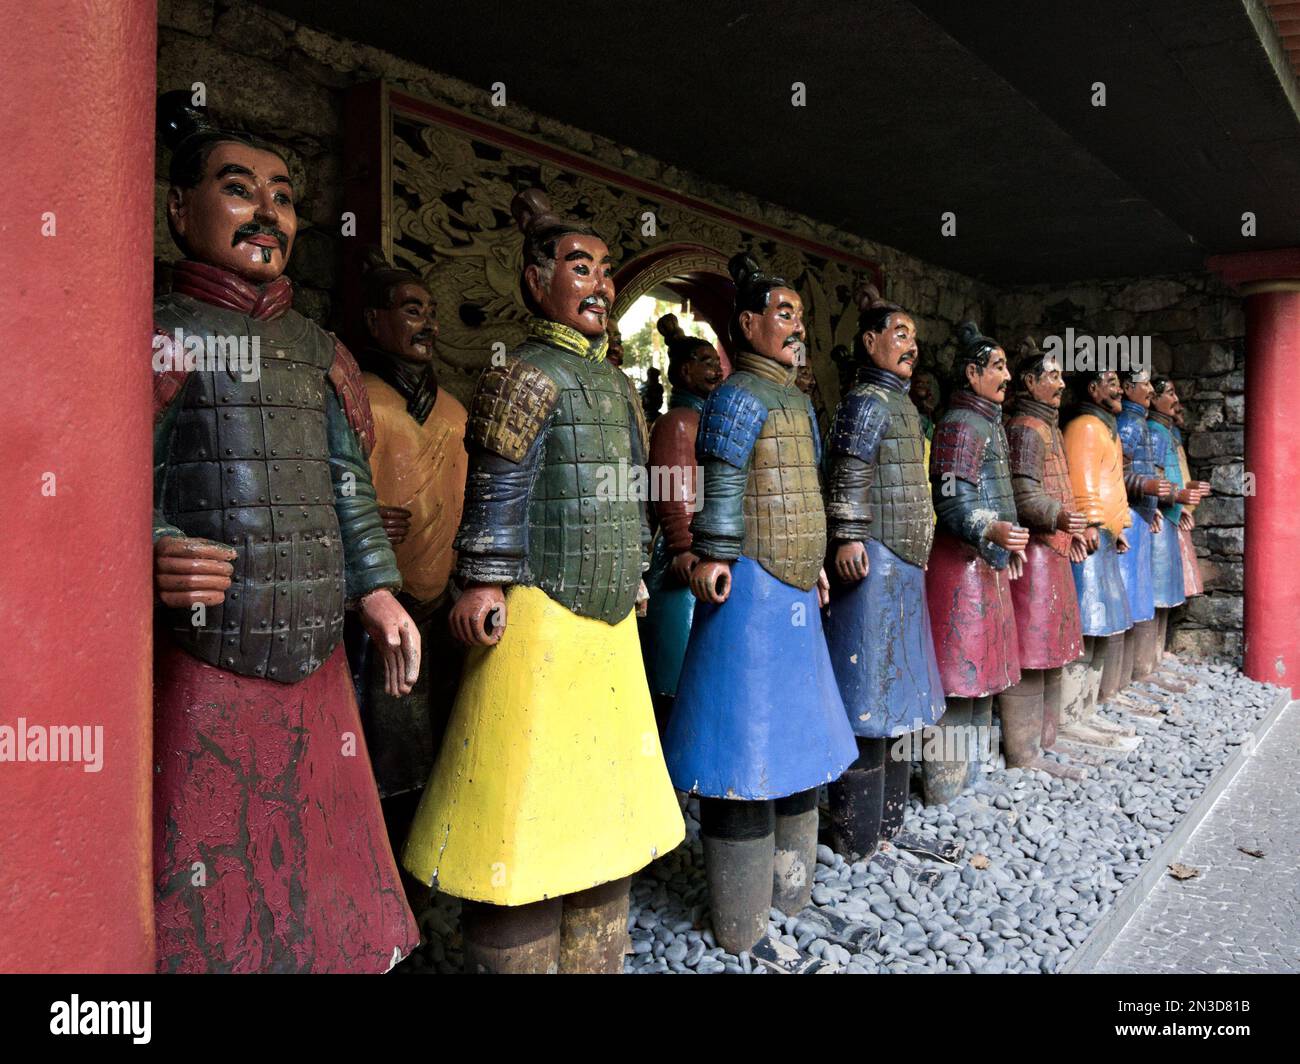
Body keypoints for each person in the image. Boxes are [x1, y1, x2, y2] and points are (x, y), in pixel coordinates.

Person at [151, 92, 420, 972]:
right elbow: (93, 485)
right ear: (177, 209)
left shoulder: (317, 349)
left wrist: (378, 588)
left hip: (313, 646)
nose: (268, 213)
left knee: (325, 868)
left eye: (281, 196)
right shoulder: (157, 334)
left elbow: (347, 484)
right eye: (238, 190)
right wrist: (150, 546)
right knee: (208, 885)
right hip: (208, 655)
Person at [401, 189, 683, 974]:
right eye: (577, 267)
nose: (597, 285)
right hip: (540, 615)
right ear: (535, 282)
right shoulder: (523, 373)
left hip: (608, 613)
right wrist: (485, 582)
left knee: (606, 795)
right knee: (518, 806)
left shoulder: (617, 386)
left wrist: (633, 568)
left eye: (604, 272)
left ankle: (598, 933)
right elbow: (497, 485)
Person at [663, 254, 856, 952]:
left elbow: (806, 491)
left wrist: (814, 566)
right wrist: (713, 554)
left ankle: (792, 895)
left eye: (800, 316)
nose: (796, 327)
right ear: (745, 323)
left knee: (801, 742)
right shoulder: (737, 397)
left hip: (795, 588)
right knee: (739, 752)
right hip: (745, 590)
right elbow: (720, 484)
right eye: (783, 313)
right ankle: (741, 922)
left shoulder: (799, 403)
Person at [351, 247, 468, 898]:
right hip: (382, 600)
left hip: (447, 590)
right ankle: (388, 881)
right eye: (410, 310)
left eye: (431, 312)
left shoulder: (454, 409)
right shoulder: (356, 401)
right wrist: (362, 525)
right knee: (389, 739)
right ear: (373, 322)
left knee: (450, 726)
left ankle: (439, 862)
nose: (426, 324)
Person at [822, 284, 945, 857]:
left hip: (904, 562)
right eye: (900, 335)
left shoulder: (902, 402)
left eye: (914, 338)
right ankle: (857, 831)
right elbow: (849, 469)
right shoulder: (865, 402)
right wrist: (847, 534)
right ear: (869, 342)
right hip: (873, 559)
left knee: (896, 691)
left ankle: (888, 826)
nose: (910, 347)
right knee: (868, 688)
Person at [924, 322, 1027, 803]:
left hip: (986, 564)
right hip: (959, 565)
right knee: (957, 673)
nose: (1007, 376)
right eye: (999, 367)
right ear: (972, 373)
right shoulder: (960, 425)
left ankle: (969, 778)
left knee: (983, 672)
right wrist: (991, 529)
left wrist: (1007, 544)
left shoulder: (987, 422)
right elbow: (950, 500)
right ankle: (945, 784)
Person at [999, 339, 1087, 779]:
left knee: (1053, 648)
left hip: (1052, 549)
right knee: (1032, 652)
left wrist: (1071, 524)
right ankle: (1024, 750)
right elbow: (1022, 493)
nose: (1061, 382)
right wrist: (1061, 516)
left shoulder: (1048, 427)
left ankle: (1048, 738)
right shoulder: (1025, 430)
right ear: (1029, 382)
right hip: (1032, 554)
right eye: (1051, 375)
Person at [640, 314, 723, 729]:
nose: (716, 369)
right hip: (685, 555)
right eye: (705, 362)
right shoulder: (678, 422)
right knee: (676, 672)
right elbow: (672, 488)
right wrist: (681, 545)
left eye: (717, 361)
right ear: (683, 371)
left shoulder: (710, 420)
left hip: (708, 549)